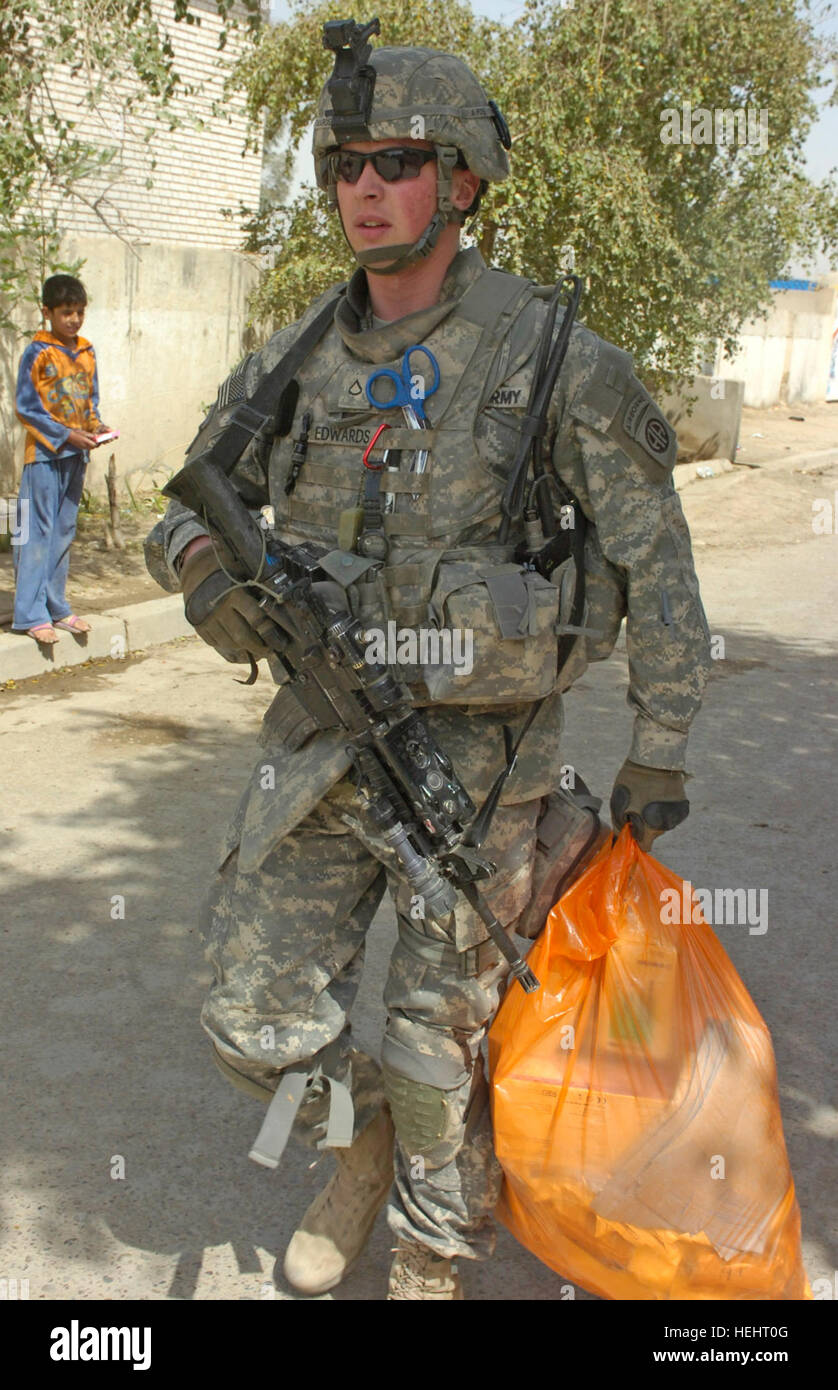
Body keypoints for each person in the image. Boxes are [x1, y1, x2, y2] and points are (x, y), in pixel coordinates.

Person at [145, 19, 712, 1301]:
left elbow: (656, 561)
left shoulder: (551, 356)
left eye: (394, 160)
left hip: (481, 765)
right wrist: (204, 574)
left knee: (432, 1033)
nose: (362, 188)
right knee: (249, 1018)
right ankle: (366, 1143)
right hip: (321, 745)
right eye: (343, 162)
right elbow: (180, 500)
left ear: (461, 180)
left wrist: (659, 744)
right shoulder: (295, 355)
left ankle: (425, 1255)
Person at [13, 273, 110, 643]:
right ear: (47, 312)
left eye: (80, 312)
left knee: (64, 531)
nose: (74, 319)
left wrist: (97, 428)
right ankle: (30, 614)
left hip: (76, 457)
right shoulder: (37, 352)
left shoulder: (86, 351)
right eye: (67, 312)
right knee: (35, 532)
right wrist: (65, 434)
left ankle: (57, 608)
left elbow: (90, 402)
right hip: (43, 457)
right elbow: (26, 407)